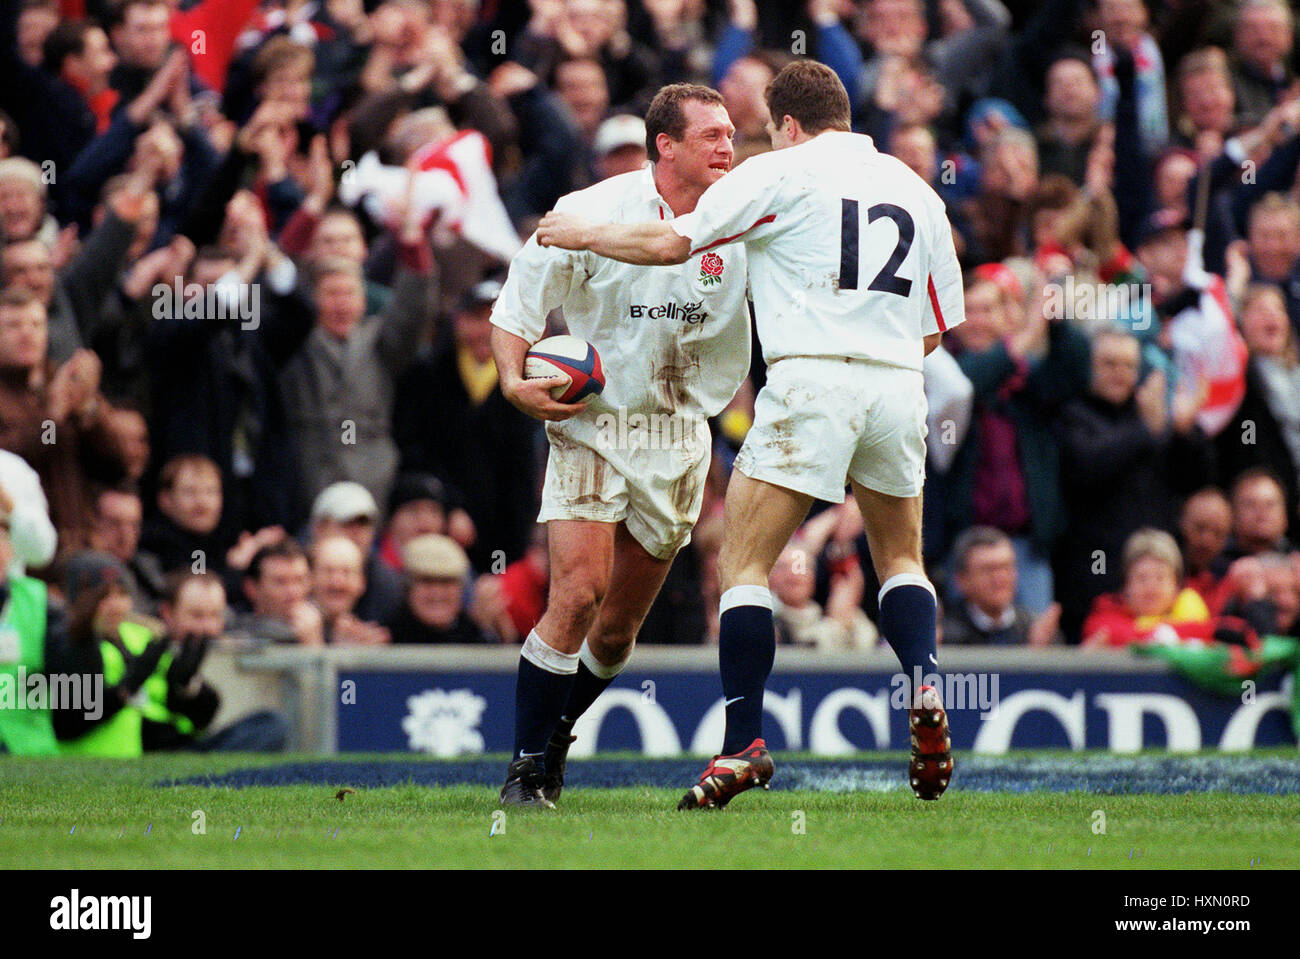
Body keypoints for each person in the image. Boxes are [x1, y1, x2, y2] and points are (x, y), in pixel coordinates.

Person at [537, 60, 965, 806]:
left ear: (787, 125)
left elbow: (674, 244)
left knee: (744, 567)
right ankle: (925, 682)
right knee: (902, 556)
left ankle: (741, 745)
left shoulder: (779, 172)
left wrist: (584, 232)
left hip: (809, 380)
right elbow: (936, 328)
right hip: (899, 384)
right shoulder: (917, 190)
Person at [488, 83, 752, 807]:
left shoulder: (748, 216)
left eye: (731, 134)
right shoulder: (589, 210)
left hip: (679, 434)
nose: (729, 148)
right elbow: (516, 306)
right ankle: (524, 770)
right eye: (713, 136)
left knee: (616, 631)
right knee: (577, 594)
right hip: (591, 422)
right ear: (666, 146)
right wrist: (513, 379)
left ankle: (556, 734)